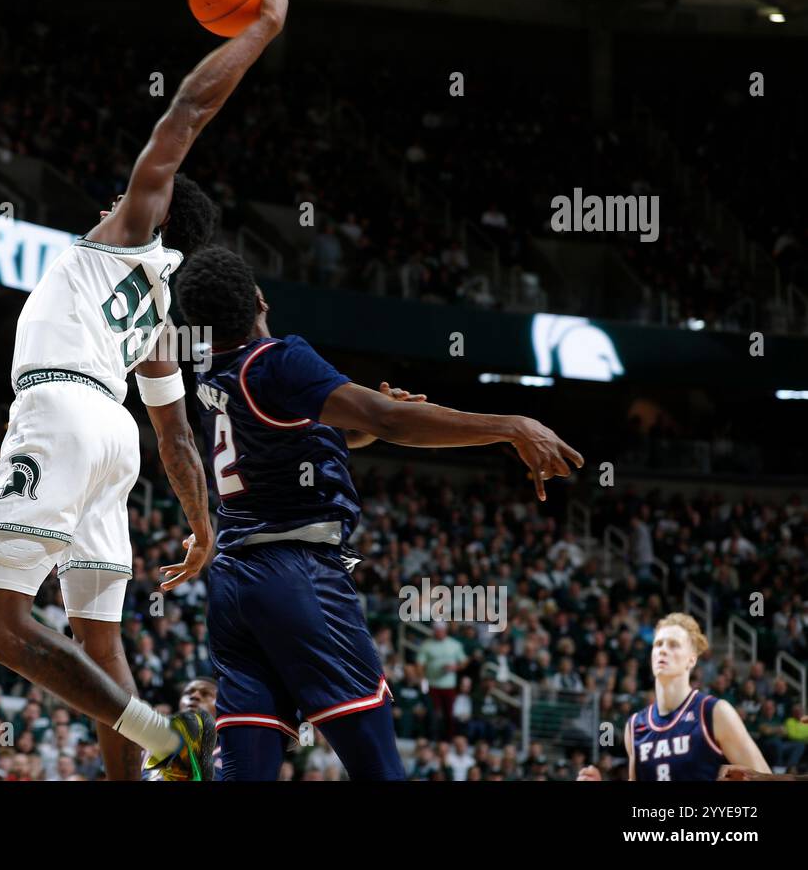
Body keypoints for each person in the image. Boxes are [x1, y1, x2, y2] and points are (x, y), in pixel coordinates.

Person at [0, 0, 290, 782]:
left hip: (62, 414)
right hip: (118, 438)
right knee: (99, 640)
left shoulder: (128, 232)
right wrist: (203, 527)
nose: (115, 196)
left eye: (129, 191)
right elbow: (176, 434)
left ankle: (166, 737)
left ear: (152, 205)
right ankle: (144, 767)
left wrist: (258, 31)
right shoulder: (158, 310)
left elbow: (185, 112)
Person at [174, 246, 582, 780]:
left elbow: (292, 440)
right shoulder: (277, 359)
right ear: (259, 299)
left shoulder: (212, 375)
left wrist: (362, 428)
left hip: (233, 585)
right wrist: (512, 425)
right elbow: (389, 420)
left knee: (244, 768)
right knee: (378, 767)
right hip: (296, 574)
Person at [579, 613, 772, 781]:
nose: (663, 649)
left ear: (692, 659)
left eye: (673, 645)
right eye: (658, 644)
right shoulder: (635, 726)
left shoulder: (714, 713)